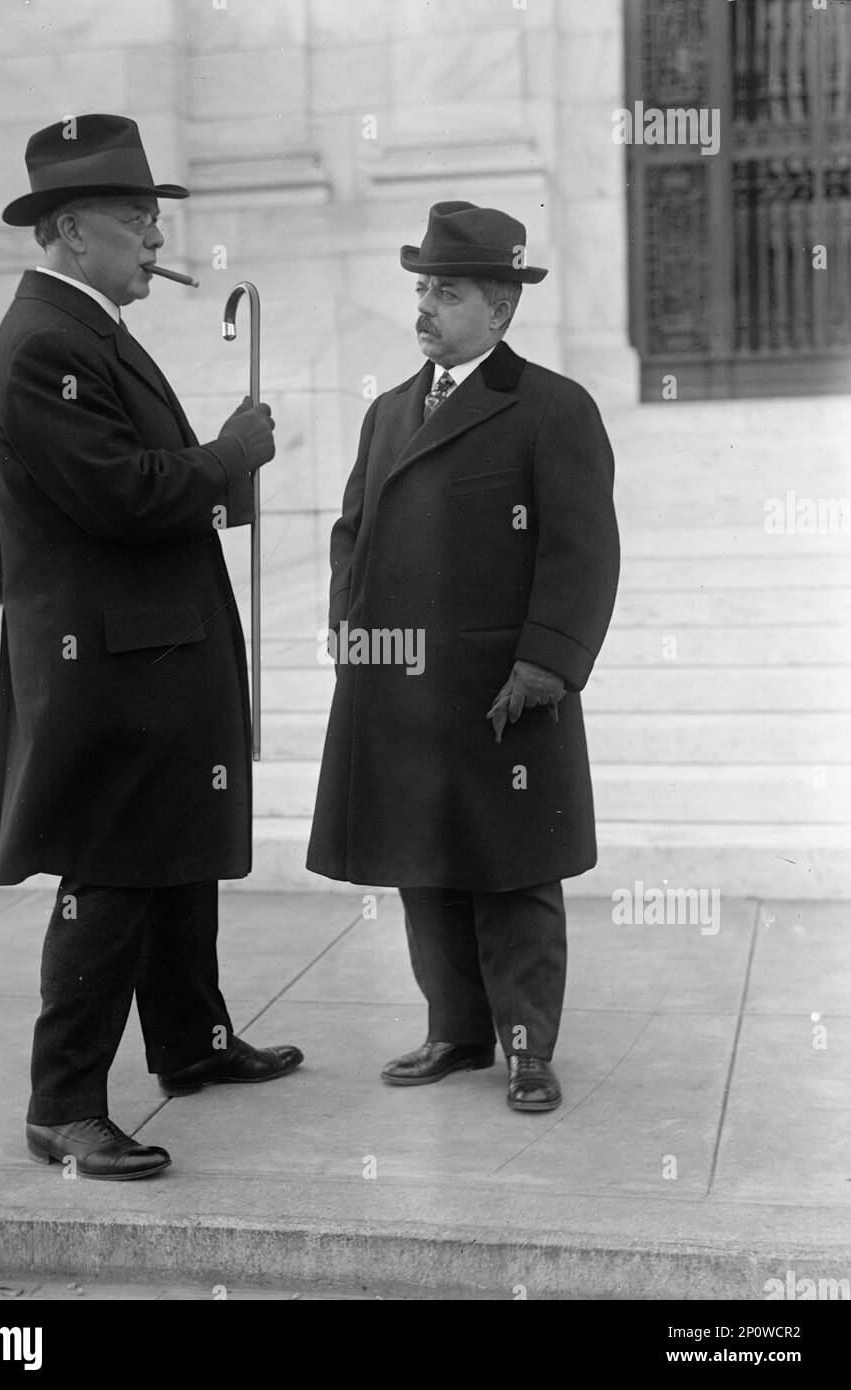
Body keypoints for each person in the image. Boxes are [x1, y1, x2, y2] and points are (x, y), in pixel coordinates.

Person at [0, 114, 302, 1180]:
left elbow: (140, 477)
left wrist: (218, 470)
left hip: (150, 646)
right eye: (135, 222)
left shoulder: (88, 332)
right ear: (72, 230)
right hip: (104, 660)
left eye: (155, 221)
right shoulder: (43, 346)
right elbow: (119, 494)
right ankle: (62, 1105)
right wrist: (226, 456)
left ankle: (192, 1043)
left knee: (174, 853)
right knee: (113, 871)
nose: (156, 243)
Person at [307, 201, 620, 1112]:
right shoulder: (387, 412)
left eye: (446, 292)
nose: (424, 307)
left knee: (515, 873)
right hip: (401, 688)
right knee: (424, 864)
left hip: (503, 691)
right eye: (420, 289)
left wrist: (547, 665)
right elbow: (350, 533)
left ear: (501, 309)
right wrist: (350, 635)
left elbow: (582, 550)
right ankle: (455, 1030)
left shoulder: (552, 408)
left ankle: (528, 1047)